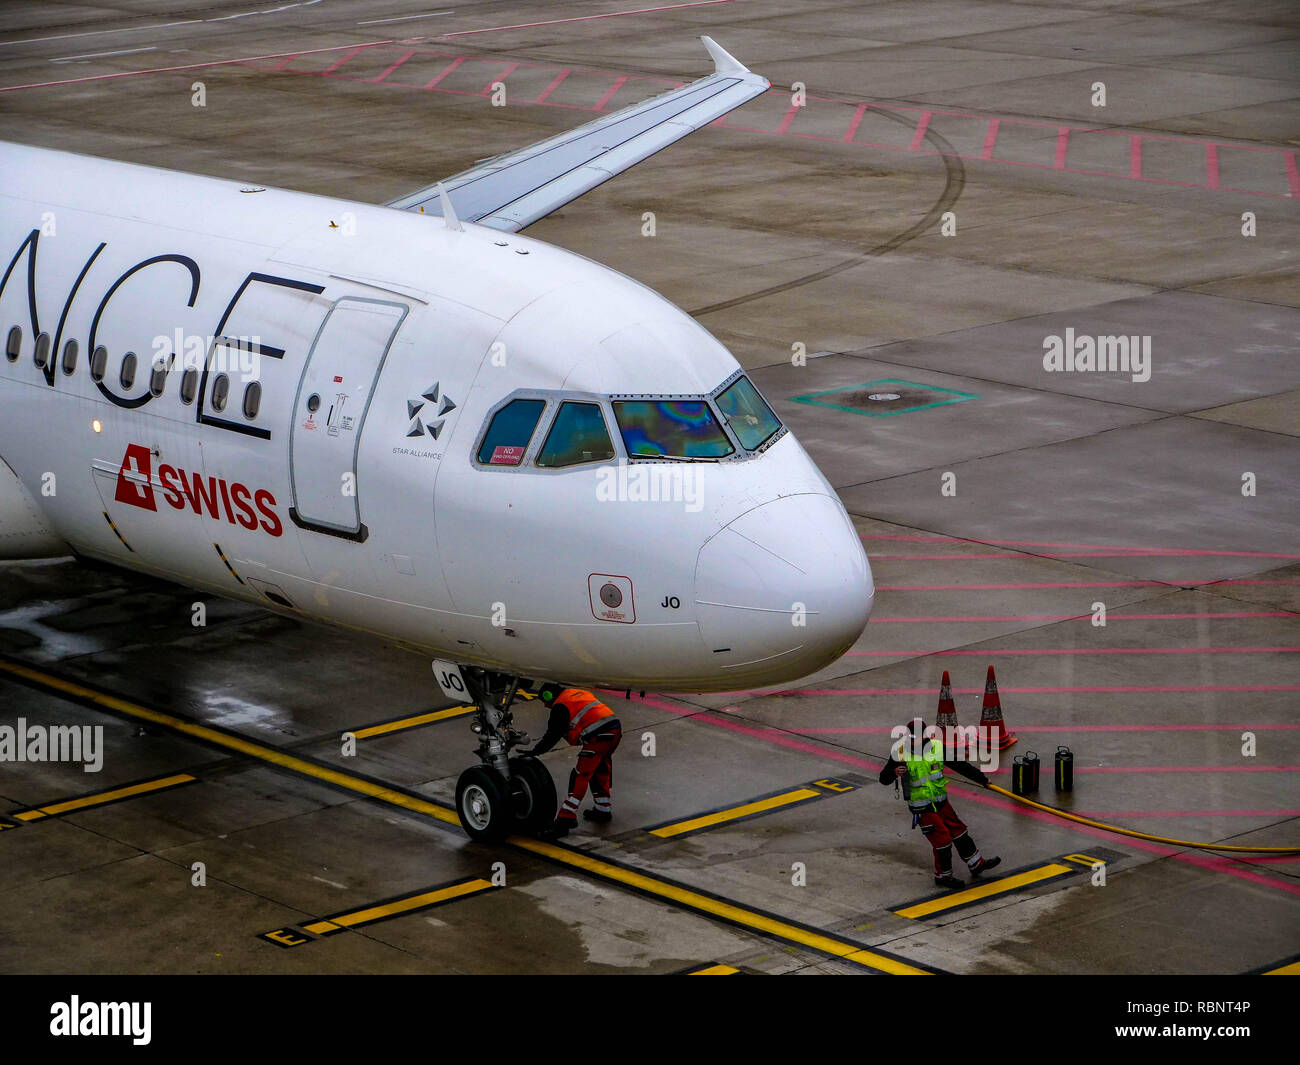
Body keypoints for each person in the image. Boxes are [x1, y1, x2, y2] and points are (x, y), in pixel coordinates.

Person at [879, 717, 1001, 888]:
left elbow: (959, 765)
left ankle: (976, 863)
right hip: (922, 808)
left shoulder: (936, 747)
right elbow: (883, 779)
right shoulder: (899, 754)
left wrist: (983, 780)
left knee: (959, 830)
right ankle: (943, 876)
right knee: (942, 840)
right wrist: (893, 772)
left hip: (941, 802)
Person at [526, 683, 622, 839]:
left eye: (544, 700)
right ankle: (603, 809)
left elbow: (552, 735)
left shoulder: (560, 706)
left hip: (599, 735)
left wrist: (535, 751)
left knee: (580, 775)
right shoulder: (575, 693)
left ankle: (565, 819)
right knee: (600, 770)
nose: (544, 706)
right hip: (614, 730)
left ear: (549, 696)